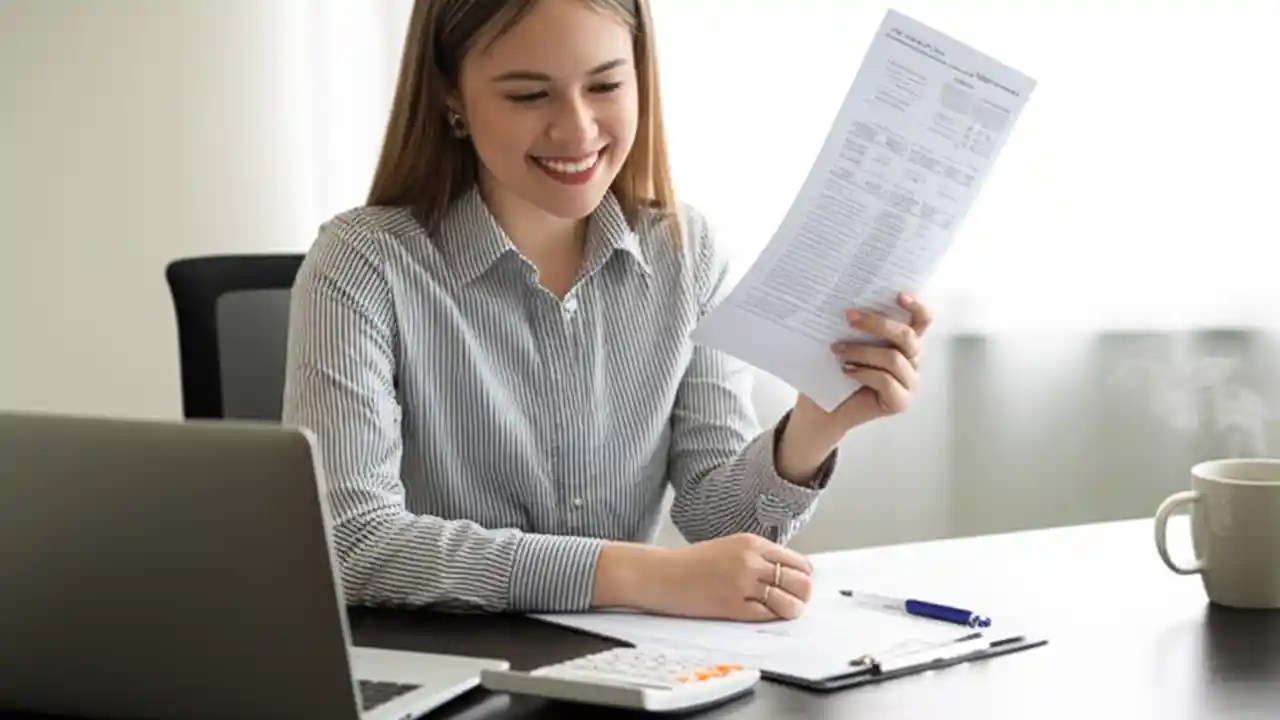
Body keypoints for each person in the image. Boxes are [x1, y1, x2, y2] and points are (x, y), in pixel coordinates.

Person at [282, 0, 932, 623]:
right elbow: (352, 543)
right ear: (451, 96)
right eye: (528, 95)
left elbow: (717, 524)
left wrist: (815, 427)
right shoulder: (362, 262)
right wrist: (635, 575)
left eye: (605, 86)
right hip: (439, 667)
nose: (577, 129)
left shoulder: (687, 253)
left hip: (624, 669)